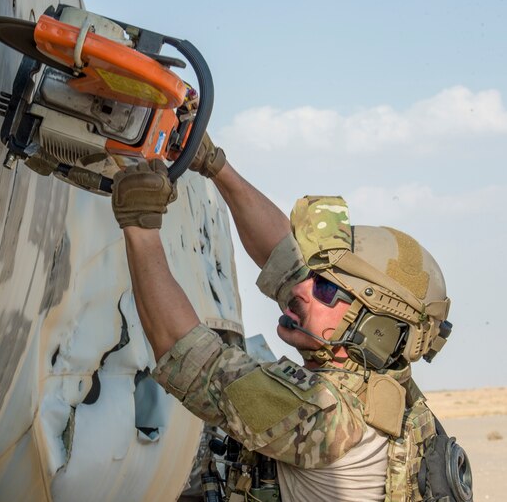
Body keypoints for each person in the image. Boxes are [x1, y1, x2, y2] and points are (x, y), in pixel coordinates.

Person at [110, 137, 471, 501]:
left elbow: (187, 353)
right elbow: (285, 262)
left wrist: (140, 227)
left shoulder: (327, 420)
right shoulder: (390, 388)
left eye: (326, 289)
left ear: (374, 329)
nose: (302, 289)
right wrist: (214, 164)